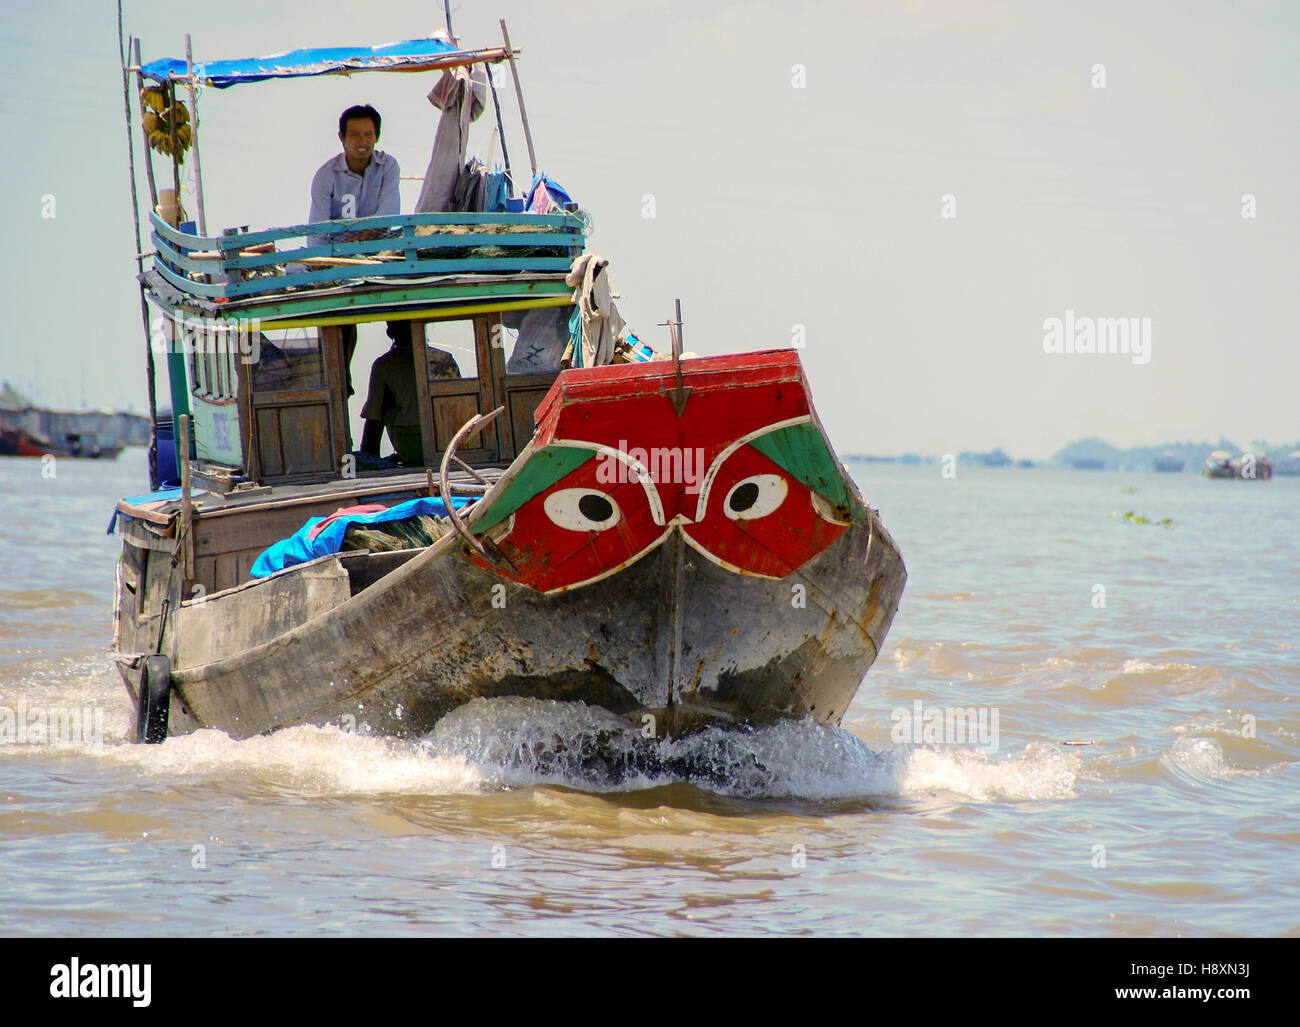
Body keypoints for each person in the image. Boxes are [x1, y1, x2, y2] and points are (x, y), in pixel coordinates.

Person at [309, 105, 400, 396]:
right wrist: (339, 256)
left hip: (379, 259)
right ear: (342, 137)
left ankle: (406, 359)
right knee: (340, 317)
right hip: (336, 263)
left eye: (369, 135)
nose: (363, 142)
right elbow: (318, 234)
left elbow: (388, 219)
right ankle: (339, 379)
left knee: (402, 307)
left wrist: (350, 245)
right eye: (355, 135)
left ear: (377, 137)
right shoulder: (326, 176)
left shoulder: (389, 167)